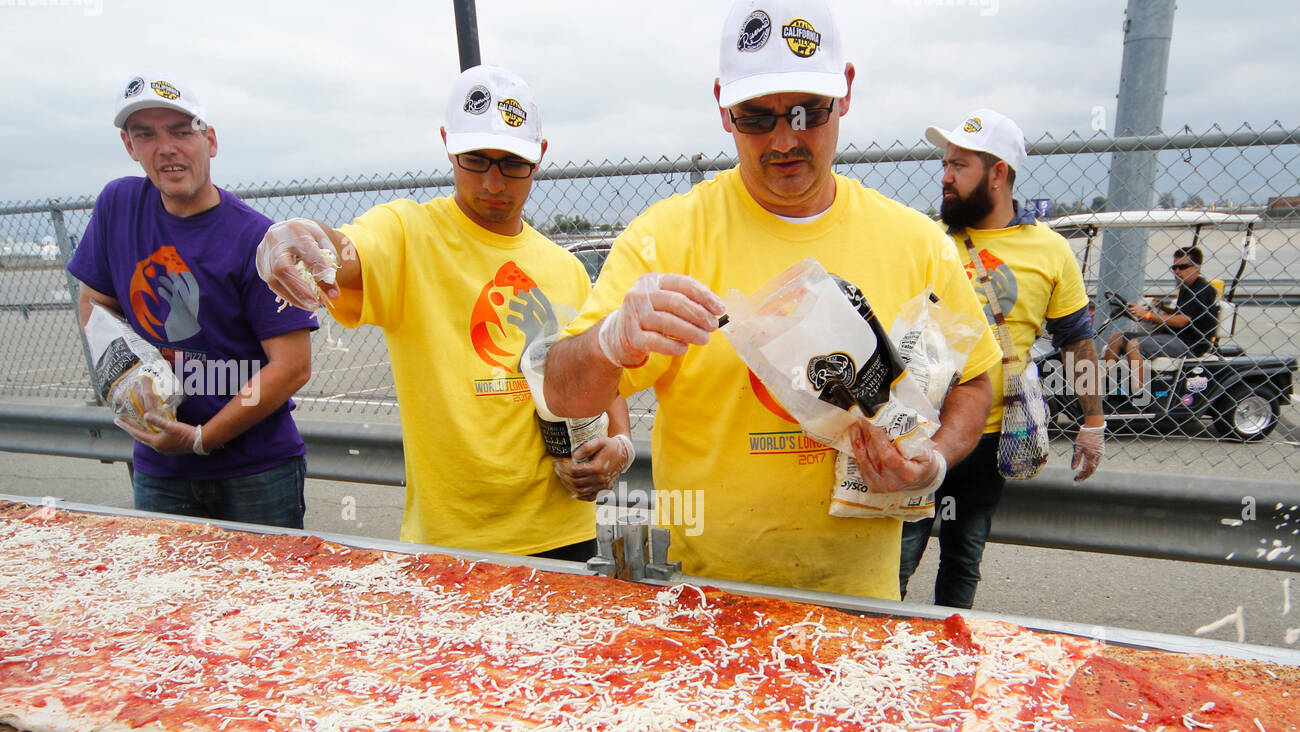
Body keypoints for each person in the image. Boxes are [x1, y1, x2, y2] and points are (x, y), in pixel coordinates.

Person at [537, 0, 1001, 600]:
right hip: (707, 598)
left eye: (809, 111)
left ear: (847, 92)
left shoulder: (913, 243)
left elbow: (978, 379)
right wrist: (609, 342)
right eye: (756, 117)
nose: (786, 139)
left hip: (857, 597)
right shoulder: (669, 238)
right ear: (723, 107)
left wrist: (933, 461)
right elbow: (561, 392)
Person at [256, 65, 630, 561]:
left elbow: (602, 380)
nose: (494, 182)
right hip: (452, 543)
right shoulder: (410, 236)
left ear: (539, 157)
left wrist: (619, 443)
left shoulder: (566, 269)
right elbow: (351, 250)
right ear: (447, 145)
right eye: (476, 159)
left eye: (512, 162)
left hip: (564, 530)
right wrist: (303, 237)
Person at [69, 74, 317, 529]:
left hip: (256, 471)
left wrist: (202, 438)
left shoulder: (256, 239)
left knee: (266, 597)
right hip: (160, 469)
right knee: (168, 596)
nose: (165, 148)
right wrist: (131, 380)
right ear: (129, 146)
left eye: (182, 131)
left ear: (211, 141)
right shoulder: (117, 206)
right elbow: (95, 303)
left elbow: (292, 365)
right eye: (146, 135)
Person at [899, 109, 1105, 609]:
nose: (945, 176)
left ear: (999, 174)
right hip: (917, 433)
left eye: (959, 165)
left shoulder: (1051, 251)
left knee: (962, 562)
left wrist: (1093, 420)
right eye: (944, 163)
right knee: (894, 562)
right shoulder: (928, 243)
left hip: (992, 439)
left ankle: (949, 663)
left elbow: (1076, 341)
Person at [1103, 245, 1219, 397]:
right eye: (1174, 267)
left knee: (1134, 345)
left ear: (1196, 267)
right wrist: (1161, 308)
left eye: (1183, 267)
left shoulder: (1202, 290)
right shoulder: (1186, 288)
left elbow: (1182, 321)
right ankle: (1105, 385)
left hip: (1190, 342)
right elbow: (1184, 313)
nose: (1177, 272)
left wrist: (1147, 315)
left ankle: (1137, 394)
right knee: (1117, 338)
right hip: (1173, 337)